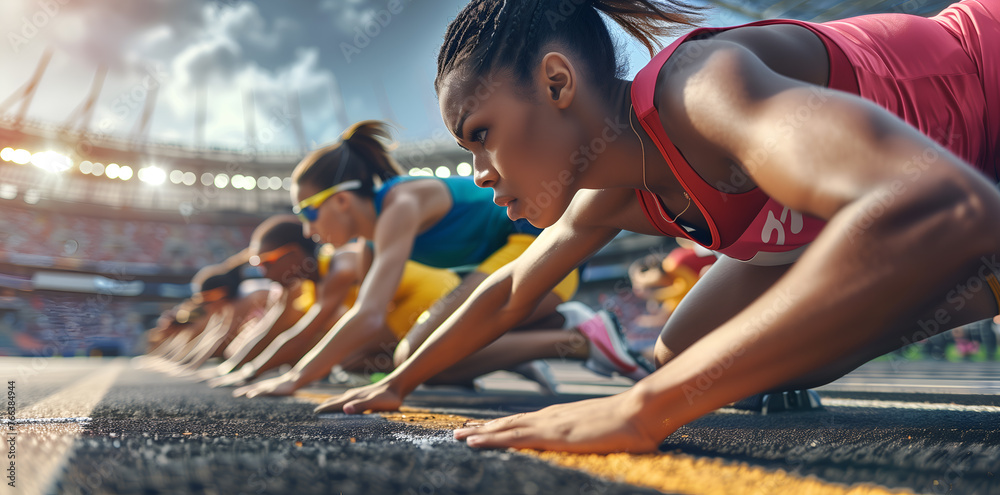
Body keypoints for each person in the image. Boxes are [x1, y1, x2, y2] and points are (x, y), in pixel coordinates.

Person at [315, 0, 1000, 454]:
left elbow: (929, 202)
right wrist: (398, 380)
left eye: (480, 134)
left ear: (557, 84)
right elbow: (510, 291)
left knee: (688, 378)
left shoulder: (702, 89)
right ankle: (987, 283)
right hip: (971, 183)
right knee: (695, 352)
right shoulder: (608, 194)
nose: (479, 172)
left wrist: (644, 409)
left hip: (987, 80)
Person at [235, 120, 650, 398]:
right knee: (424, 362)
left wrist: (294, 377)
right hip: (515, 262)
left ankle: (579, 340)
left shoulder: (399, 202)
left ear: (341, 200)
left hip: (543, 245)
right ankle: (560, 328)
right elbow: (348, 321)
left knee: (414, 355)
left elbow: (370, 314)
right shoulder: (371, 243)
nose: (308, 232)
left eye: (307, 213)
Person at [212, 216, 460, 392]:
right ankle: (449, 367)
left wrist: (256, 372)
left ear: (294, 255)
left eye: (266, 263)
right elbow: (273, 328)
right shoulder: (301, 284)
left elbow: (301, 336)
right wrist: (233, 368)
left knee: (338, 353)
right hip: (407, 304)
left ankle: (458, 361)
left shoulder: (340, 267)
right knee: (340, 355)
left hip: (431, 294)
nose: (263, 273)